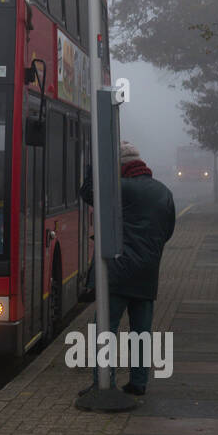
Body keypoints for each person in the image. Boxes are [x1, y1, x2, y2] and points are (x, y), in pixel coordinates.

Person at [80, 140, 176, 395]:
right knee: (142, 331)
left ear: (120, 167)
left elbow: (88, 194)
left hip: (117, 271)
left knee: (105, 329)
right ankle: (138, 384)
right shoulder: (163, 191)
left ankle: (104, 383)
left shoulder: (120, 188)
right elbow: (167, 232)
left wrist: (93, 165)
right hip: (147, 273)